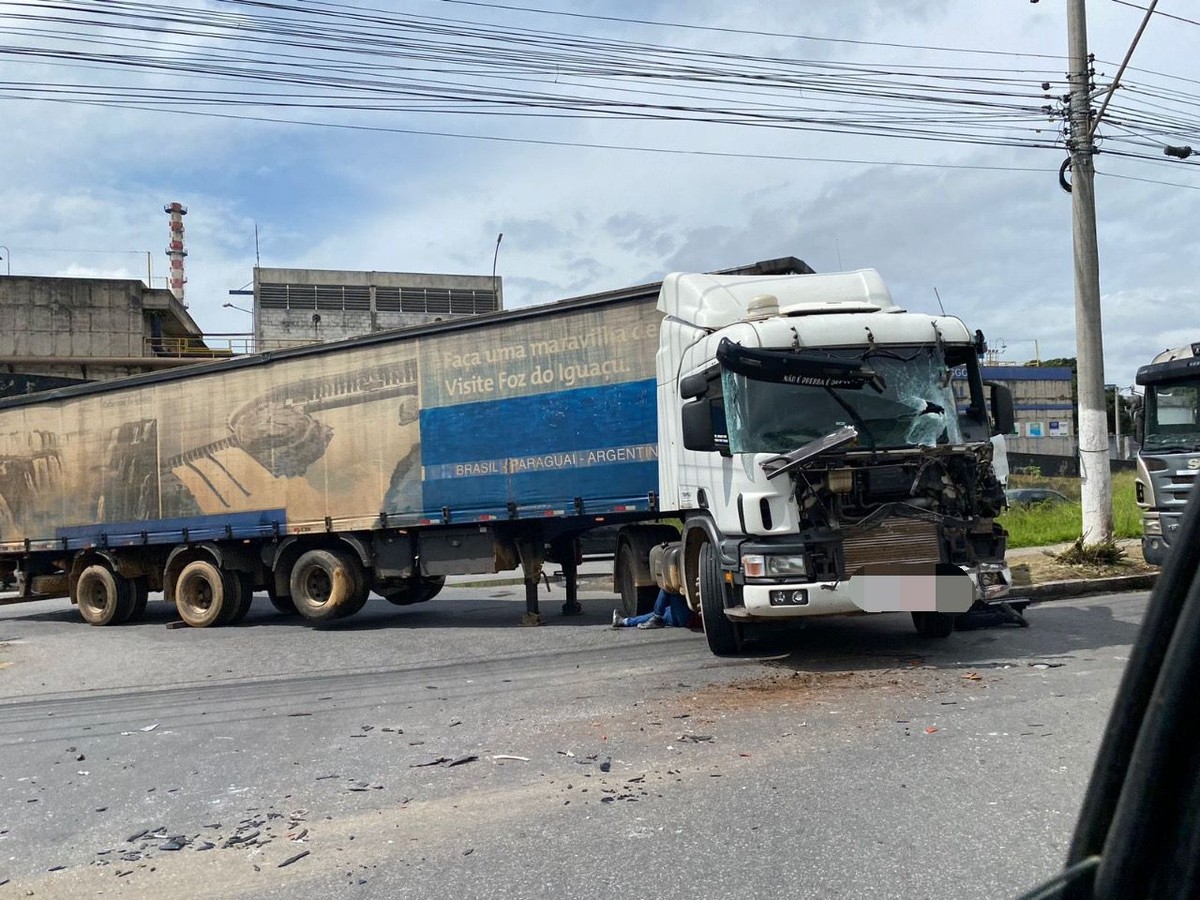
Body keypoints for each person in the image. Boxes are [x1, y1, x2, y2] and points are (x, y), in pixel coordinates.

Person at [612, 589, 691, 630]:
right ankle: (624, 621)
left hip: (686, 615)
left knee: (668, 584)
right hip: (684, 615)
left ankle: (656, 617)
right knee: (663, 614)